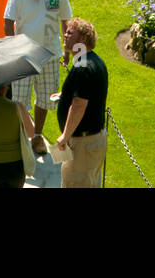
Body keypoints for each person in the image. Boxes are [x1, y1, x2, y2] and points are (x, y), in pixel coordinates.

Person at [4, 0, 71, 157]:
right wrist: (13, 47)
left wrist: (67, 50)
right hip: (23, 56)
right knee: (19, 99)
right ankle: (21, 137)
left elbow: (65, 22)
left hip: (49, 56)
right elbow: (8, 22)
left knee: (45, 97)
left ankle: (37, 136)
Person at [55, 18, 109, 188]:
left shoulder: (82, 67)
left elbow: (79, 104)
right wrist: (65, 95)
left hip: (82, 145)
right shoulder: (93, 61)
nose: (65, 34)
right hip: (92, 142)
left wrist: (65, 136)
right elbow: (87, 93)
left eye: (70, 32)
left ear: (84, 39)